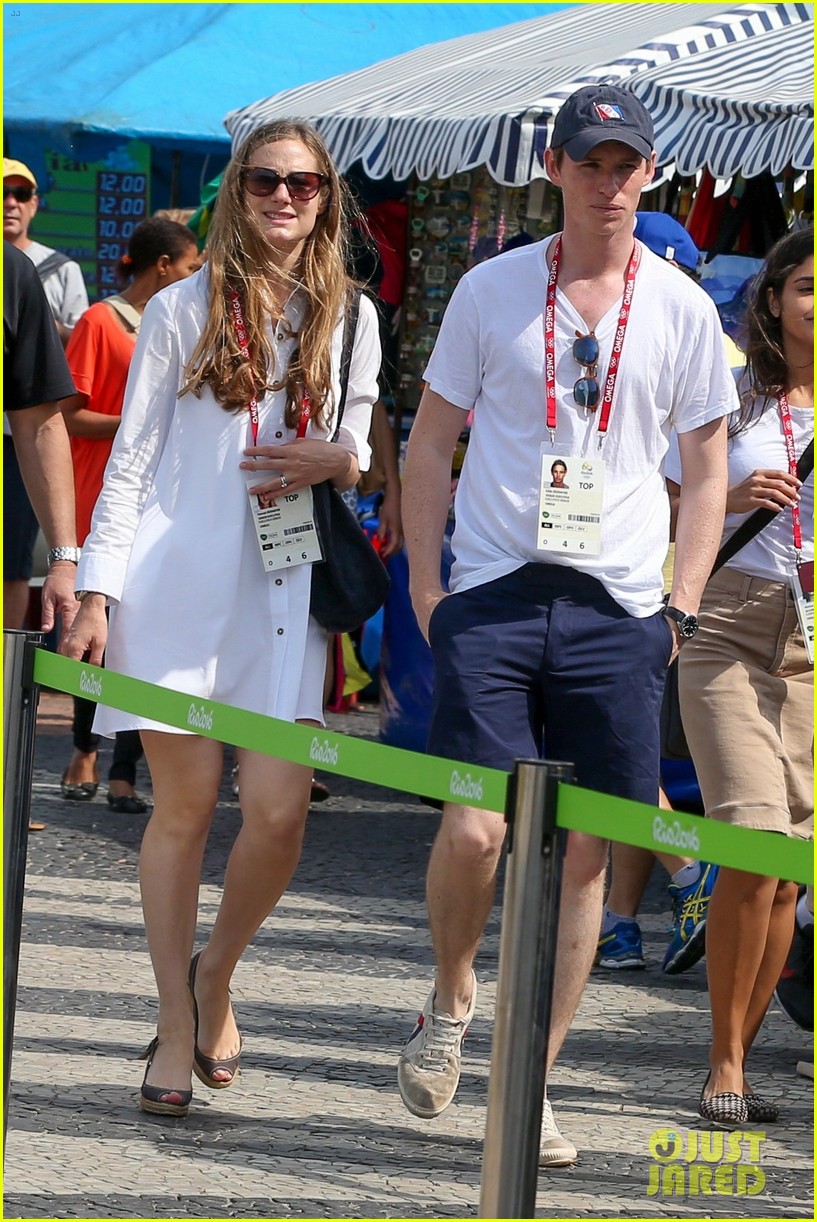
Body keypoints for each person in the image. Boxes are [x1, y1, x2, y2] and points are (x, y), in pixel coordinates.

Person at [398, 83, 737, 1165]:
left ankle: (527, 1080)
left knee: (588, 853)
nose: (607, 181)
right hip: (494, 593)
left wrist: (678, 606)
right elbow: (427, 440)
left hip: (620, 609)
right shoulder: (491, 290)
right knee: (475, 827)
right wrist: (422, 585)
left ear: (651, 174)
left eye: (625, 163)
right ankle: (451, 997)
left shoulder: (681, 307)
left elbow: (706, 464)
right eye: (588, 162)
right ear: (554, 169)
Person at [60, 120, 380, 1118]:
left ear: (328, 199)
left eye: (304, 184)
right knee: (185, 812)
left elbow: (361, 443)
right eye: (265, 182)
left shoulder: (352, 317)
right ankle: (170, 1013)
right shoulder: (180, 308)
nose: (284, 198)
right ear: (234, 194)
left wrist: (336, 460)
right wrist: (97, 589)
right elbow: (134, 459)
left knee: (280, 815)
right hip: (178, 588)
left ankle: (216, 971)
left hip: (287, 594)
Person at [667, 226, 813, 1126]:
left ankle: (744, 1056)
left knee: (790, 872)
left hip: (810, 649)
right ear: (769, 301)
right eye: (803, 286)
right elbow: (659, 496)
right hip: (726, 625)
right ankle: (721, 1060)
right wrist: (725, 497)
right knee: (752, 845)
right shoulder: (734, 400)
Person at [60, 218, 200, 812]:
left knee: (142, 640)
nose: (198, 274)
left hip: (164, 506)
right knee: (97, 632)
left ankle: (125, 772)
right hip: (104, 496)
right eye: (191, 264)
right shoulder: (99, 321)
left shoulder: (193, 319)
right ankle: (84, 751)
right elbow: (69, 414)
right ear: (162, 265)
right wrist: (142, 426)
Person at [4, 158, 89, 630]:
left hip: (12, 445)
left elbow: (40, 416)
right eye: (4, 191)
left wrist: (63, 557)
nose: (11, 203)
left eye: (21, 193)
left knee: (13, 565)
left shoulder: (21, 274)